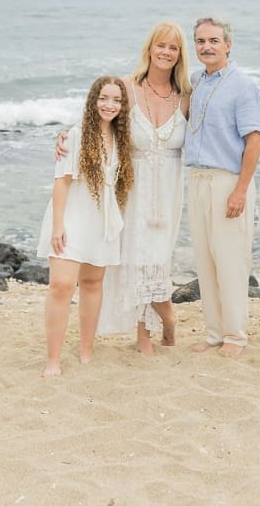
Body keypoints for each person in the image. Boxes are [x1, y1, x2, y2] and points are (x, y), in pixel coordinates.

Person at [56, 22, 191, 355]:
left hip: (169, 189)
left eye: (173, 48)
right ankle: (143, 336)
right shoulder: (128, 88)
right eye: (161, 45)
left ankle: (168, 318)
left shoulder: (186, 95)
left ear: (180, 55)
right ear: (149, 49)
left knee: (158, 259)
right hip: (130, 187)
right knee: (133, 257)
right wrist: (63, 135)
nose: (166, 52)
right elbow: (96, 116)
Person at [37, 76, 134, 377]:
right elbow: (61, 183)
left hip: (101, 219)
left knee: (92, 284)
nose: (109, 105)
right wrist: (57, 226)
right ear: (93, 101)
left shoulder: (121, 139)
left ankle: (86, 350)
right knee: (62, 286)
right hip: (71, 217)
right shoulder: (77, 136)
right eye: (103, 98)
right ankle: (53, 360)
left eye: (116, 100)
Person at [183, 16, 260, 357]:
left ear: (228, 44)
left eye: (214, 41)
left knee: (230, 261)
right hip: (197, 180)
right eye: (201, 41)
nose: (207, 46)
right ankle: (214, 333)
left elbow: (254, 140)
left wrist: (241, 190)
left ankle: (235, 336)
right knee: (205, 261)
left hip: (227, 181)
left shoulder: (242, 85)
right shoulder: (196, 80)